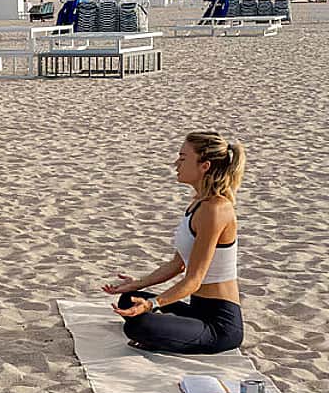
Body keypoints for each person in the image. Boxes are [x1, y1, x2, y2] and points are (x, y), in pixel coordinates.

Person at [101, 131, 246, 354]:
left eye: (183, 157)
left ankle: (167, 334)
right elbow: (177, 265)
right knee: (128, 300)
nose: (176, 163)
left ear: (204, 166)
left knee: (140, 325)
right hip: (196, 310)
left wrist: (152, 304)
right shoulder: (198, 203)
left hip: (219, 325)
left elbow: (194, 280)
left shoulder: (216, 210)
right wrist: (137, 284)